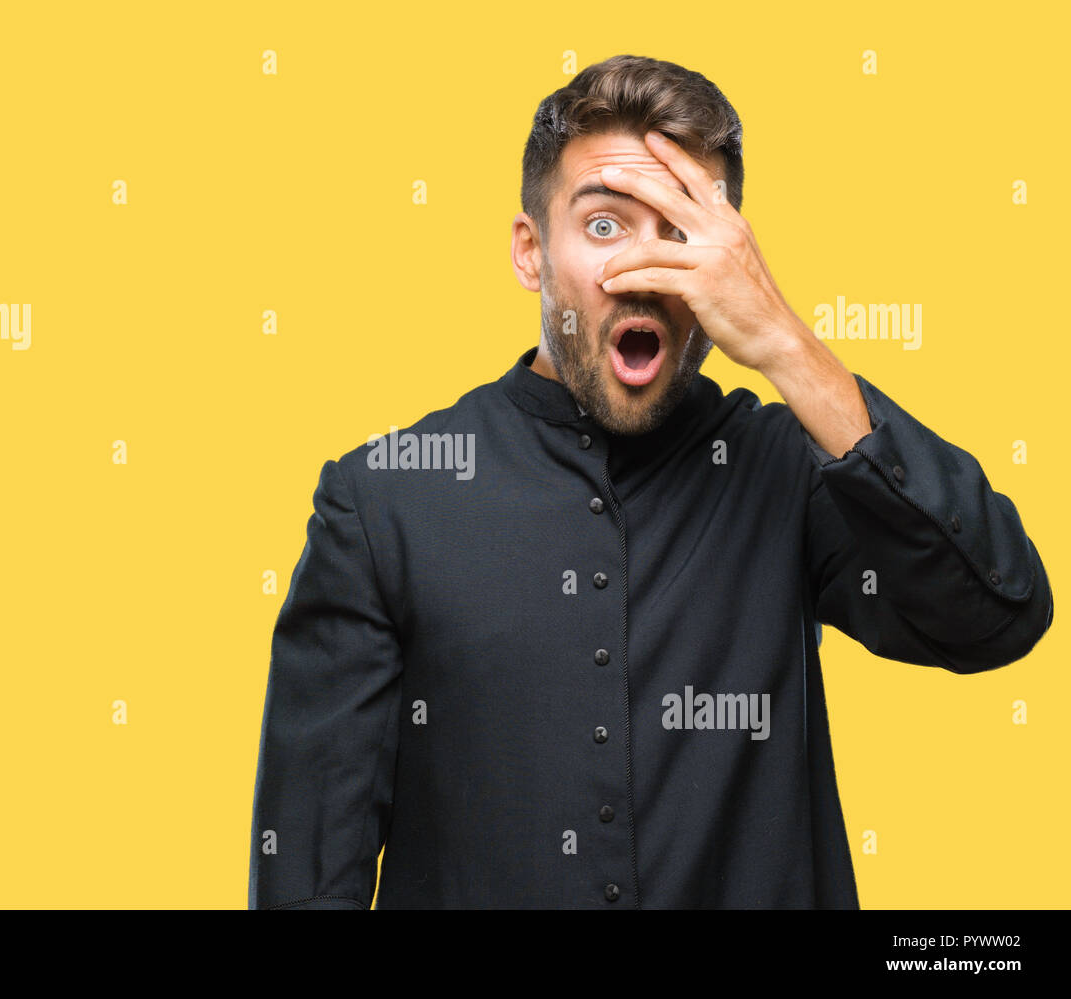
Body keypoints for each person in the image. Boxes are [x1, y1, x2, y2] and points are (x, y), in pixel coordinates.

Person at [247, 54, 1054, 909]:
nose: (642, 269)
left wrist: (786, 344)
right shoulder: (383, 503)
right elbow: (307, 877)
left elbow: (996, 615)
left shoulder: (789, 473)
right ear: (531, 252)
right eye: (603, 226)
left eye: (681, 232)